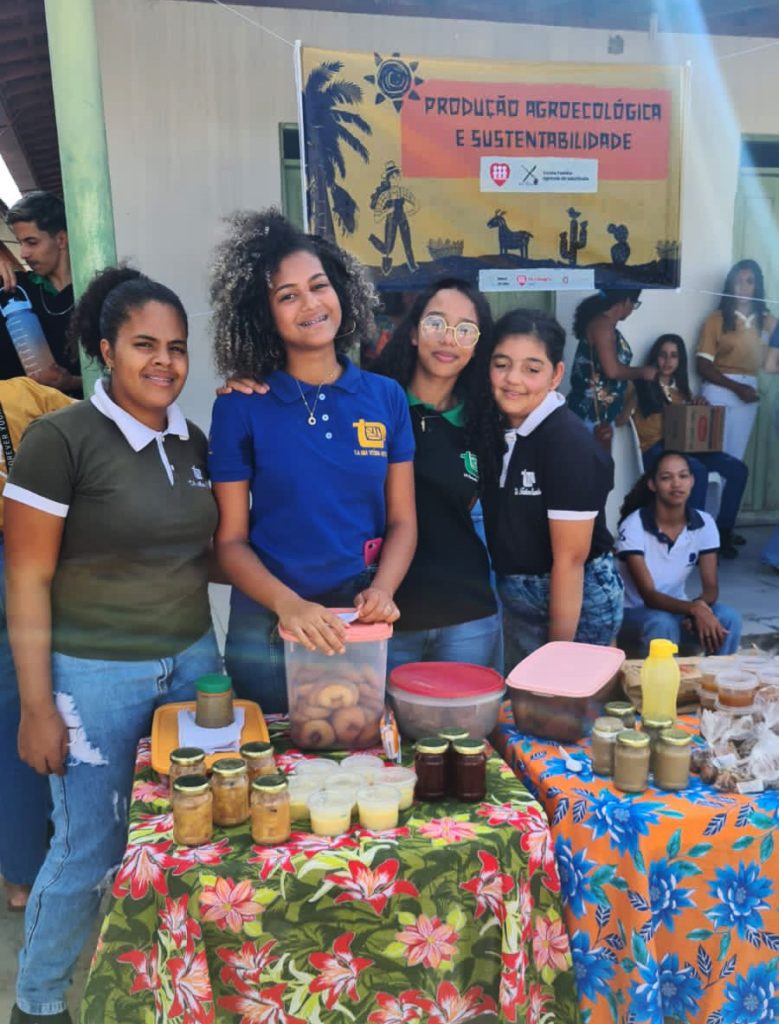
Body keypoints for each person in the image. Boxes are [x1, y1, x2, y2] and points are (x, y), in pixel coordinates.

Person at [5, 267, 221, 1024]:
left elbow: (203, 555)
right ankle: (37, 1002)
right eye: (143, 345)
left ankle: (173, 987)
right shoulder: (60, 440)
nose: (164, 361)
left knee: (193, 832)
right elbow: (26, 578)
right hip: (93, 678)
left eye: (177, 347)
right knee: (88, 847)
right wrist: (37, 707)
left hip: (195, 665)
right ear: (105, 349)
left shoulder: (192, 442)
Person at [208, 209, 416, 714]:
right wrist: (289, 605)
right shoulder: (240, 406)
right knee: (270, 754)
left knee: (353, 750)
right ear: (264, 314)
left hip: (356, 622)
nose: (310, 304)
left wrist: (383, 590)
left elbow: (402, 521)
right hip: (267, 624)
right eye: (287, 295)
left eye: (319, 286)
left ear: (342, 291)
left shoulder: (385, 397)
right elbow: (230, 542)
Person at [477, 308, 623, 670]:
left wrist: (556, 659)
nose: (513, 379)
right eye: (501, 364)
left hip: (573, 599)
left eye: (532, 369)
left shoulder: (567, 444)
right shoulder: (494, 426)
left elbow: (570, 563)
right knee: (523, 699)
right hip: (519, 596)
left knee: (560, 695)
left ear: (556, 375)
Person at [372, 278, 501, 673]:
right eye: (436, 323)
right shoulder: (373, 405)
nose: (448, 339)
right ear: (413, 333)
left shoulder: (483, 421)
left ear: (477, 345)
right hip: (384, 614)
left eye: (465, 330)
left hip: (466, 617)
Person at [0, 378, 74, 915]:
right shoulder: (19, 395)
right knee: (22, 712)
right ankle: (28, 869)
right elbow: (105, 416)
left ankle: (24, 869)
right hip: (25, 553)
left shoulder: (20, 395)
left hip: (22, 552)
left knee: (16, 715)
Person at [617, 333, 748, 558]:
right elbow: (620, 420)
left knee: (738, 469)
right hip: (655, 451)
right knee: (697, 469)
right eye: (663, 355)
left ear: (680, 361)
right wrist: (638, 392)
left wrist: (698, 407)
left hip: (682, 450)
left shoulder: (681, 391)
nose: (668, 361)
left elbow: (690, 430)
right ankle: (693, 539)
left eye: (674, 356)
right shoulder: (639, 384)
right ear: (655, 357)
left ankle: (723, 531)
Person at [615, 450, 742, 656]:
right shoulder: (634, 525)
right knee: (661, 623)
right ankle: (664, 677)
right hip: (634, 615)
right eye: (666, 478)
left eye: (683, 476)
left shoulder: (705, 523)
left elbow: (711, 588)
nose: (676, 484)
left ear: (692, 481)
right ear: (652, 484)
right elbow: (649, 596)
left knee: (729, 618)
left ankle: (716, 674)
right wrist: (693, 610)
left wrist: (698, 609)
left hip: (678, 610)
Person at [0, 192, 82, 395]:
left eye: (32, 242)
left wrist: (72, 382)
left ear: (61, 239)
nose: (23, 254)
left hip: (78, 411)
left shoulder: (94, 294)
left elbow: (121, 374)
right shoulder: (14, 289)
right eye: (20, 243)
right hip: (17, 412)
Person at [696, 259, 776, 462]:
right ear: (730, 284)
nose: (743, 287)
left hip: (749, 392)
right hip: (718, 391)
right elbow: (703, 366)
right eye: (738, 281)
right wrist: (737, 388)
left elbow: (771, 362)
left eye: (749, 281)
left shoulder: (768, 321)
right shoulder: (717, 318)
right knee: (712, 459)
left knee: (734, 460)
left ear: (757, 285)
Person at [566, 288, 655, 446]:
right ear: (626, 301)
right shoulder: (602, 326)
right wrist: (643, 372)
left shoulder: (606, 326)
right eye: (634, 304)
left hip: (602, 417)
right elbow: (612, 371)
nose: (632, 310)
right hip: (589, 415)